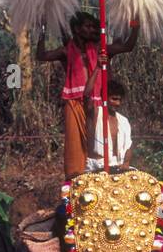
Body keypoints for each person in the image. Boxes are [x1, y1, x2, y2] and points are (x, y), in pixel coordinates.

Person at [36, 12, 139, 179]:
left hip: (97, 102)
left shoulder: (101, 49)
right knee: (75, 146)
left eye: (94, 27)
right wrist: (42, 29)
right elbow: (41, 56)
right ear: (77, 29)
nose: (92, 30)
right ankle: (75, 183)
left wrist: (135, 24)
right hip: (75, 103)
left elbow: (128, 46)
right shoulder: (66, 50)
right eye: (87, 26)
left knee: (101, 143)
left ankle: (105, 175)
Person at [85, 77, 132, 172]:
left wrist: (126, 163)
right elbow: (86, 95)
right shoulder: (96, 114)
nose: (118, 103)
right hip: (97, 167)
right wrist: (98, 67)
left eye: (120, 100)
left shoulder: (124, 121)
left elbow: (128, 146)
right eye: (114, 99)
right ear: (104, 97)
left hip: (118, 167)